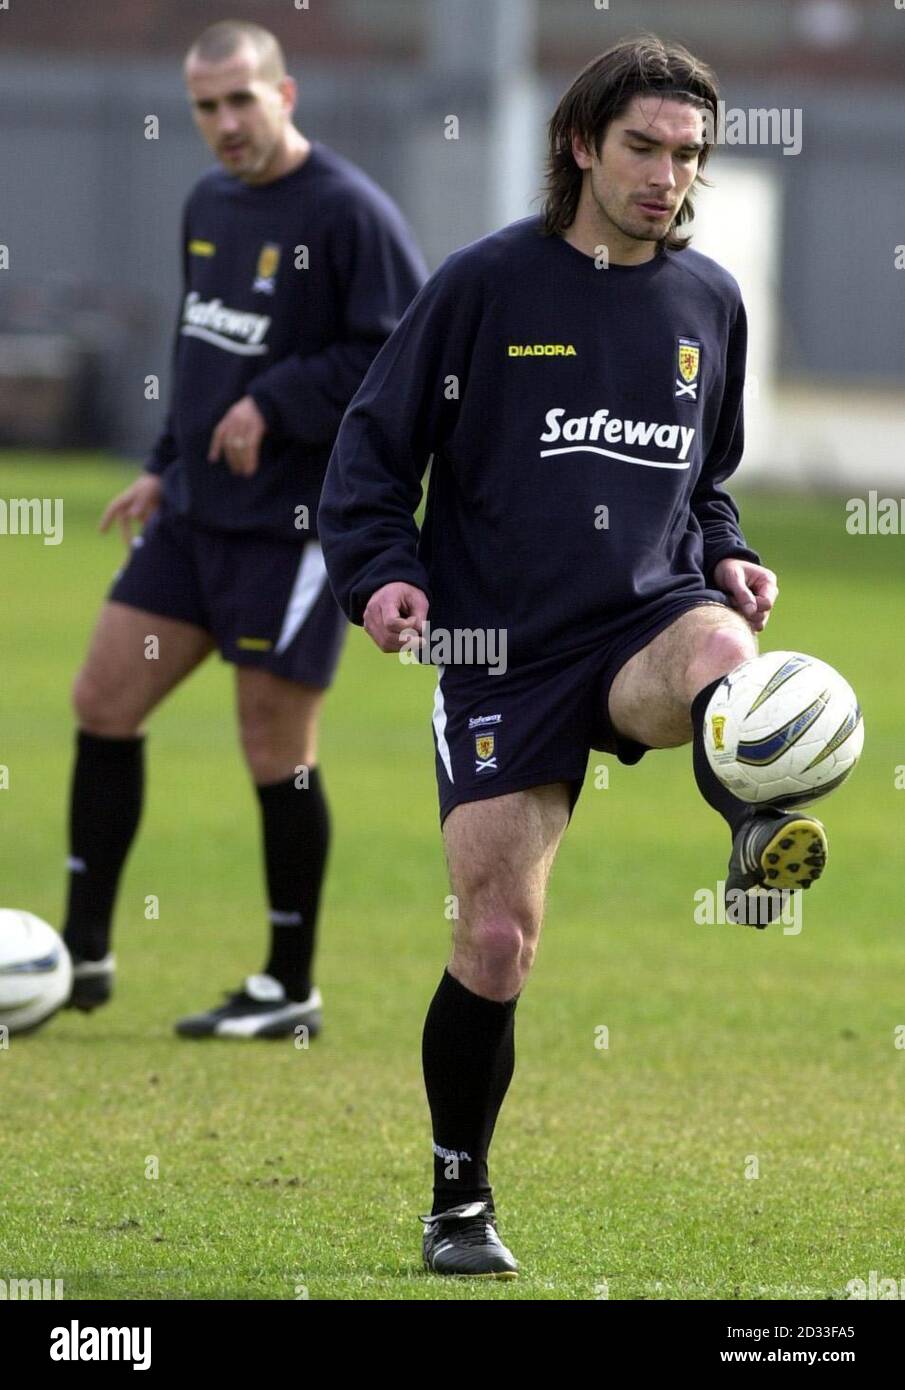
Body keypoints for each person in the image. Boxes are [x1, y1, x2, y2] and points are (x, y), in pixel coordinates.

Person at [318, 35, 827, 1275]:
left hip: (640, 623)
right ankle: (458, 1201)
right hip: (500, 651)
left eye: (686, 154)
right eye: (642, 148)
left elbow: (704, 481)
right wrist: (382, 576)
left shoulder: (708, 301)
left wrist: (727, 551)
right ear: (579, 146)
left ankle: (754, 831)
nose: (666, 176)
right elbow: (373, 455)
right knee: (494, 944)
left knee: (724, 641)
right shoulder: (485, 285)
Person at [61, 20, 426, 1039]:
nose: (223, 123)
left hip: (299, 528)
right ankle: (80, 952)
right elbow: (201, 349)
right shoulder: (208, 202)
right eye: (205, 106)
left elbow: (396, 357)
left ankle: (287, 985)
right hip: (193, 517)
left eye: (240, 101)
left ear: (285, 94)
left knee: (274, 745)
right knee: (103, 696)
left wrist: (277, 403)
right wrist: (162, 466)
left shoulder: (349, 212)